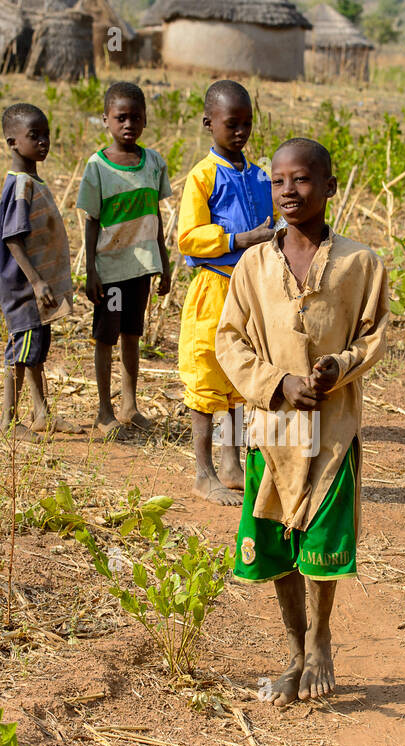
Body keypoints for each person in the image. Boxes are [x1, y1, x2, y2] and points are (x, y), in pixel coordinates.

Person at [215, 138, 388, 706]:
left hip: (333, 430)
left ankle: (321, 640)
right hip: (274, 430)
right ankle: (294, 651)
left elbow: (374, 335)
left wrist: (337, 367)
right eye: (280, 181)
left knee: (320, 540)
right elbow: (229, 340)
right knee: (277, 542)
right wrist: (277, 385)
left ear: (330, 187)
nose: (290, 191)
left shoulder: (360, 263)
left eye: (303, 180)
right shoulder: (254, 264)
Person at [177, 79, 275, 505]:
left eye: (247, 123)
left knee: (238, 378)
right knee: (205, 378)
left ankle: (232, 464)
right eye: (231, 123)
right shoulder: (201, 177)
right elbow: (188, 237)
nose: (241, 132)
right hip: (213, 288)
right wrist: (240, 239)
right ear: (208, 124)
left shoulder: (259, 177)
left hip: (249, 292)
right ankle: (204, 473)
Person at [77, 81, 172, 437]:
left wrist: (163, 262)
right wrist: (90, 270)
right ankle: (105, 411)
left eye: (136, 117)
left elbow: (156, 217)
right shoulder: (97, 167)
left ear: (145, 120)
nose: (128, 124)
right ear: (106, 120)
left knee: (133, 334)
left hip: (142, 269)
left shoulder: (154, 163)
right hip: (112, 270)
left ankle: (130, 406)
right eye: (121, 117)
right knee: (107, 337)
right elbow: (92, 221)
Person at [0, 102, 80, 438]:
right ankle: (7, 422)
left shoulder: (30, 180)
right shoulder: (20, 185)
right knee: (20, 350)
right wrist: (37, 281)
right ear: (12, 142)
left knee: (35, 350)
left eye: (46, 135)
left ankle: (41, 413)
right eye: (35, 136)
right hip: (25, 288)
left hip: (35, 289)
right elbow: (13, 239)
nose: (43, 142)